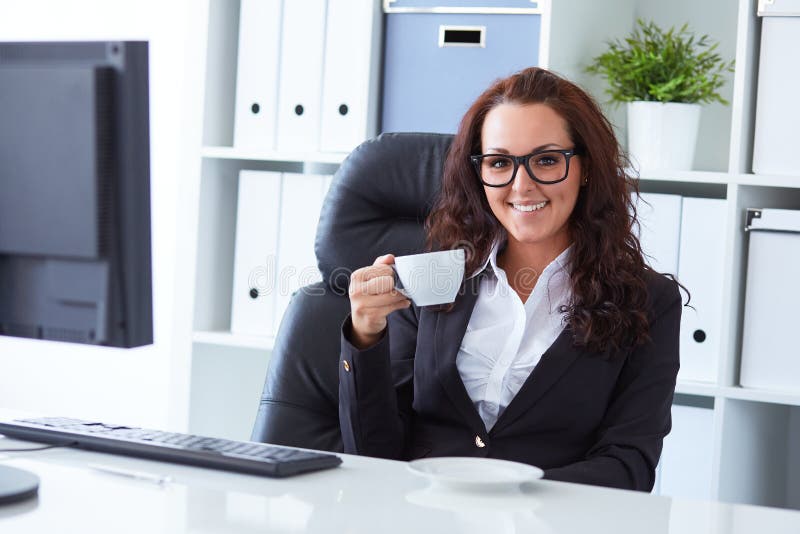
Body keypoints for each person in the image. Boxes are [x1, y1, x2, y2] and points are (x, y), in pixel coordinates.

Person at [338, 66, 683, 492]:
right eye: (499, 162)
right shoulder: (436, 277)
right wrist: (365, 336)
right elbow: (371, 456)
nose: (522, 186)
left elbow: (628, 467)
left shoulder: (649, 301)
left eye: (546, 160)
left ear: (586, 167)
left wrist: (509, 498)